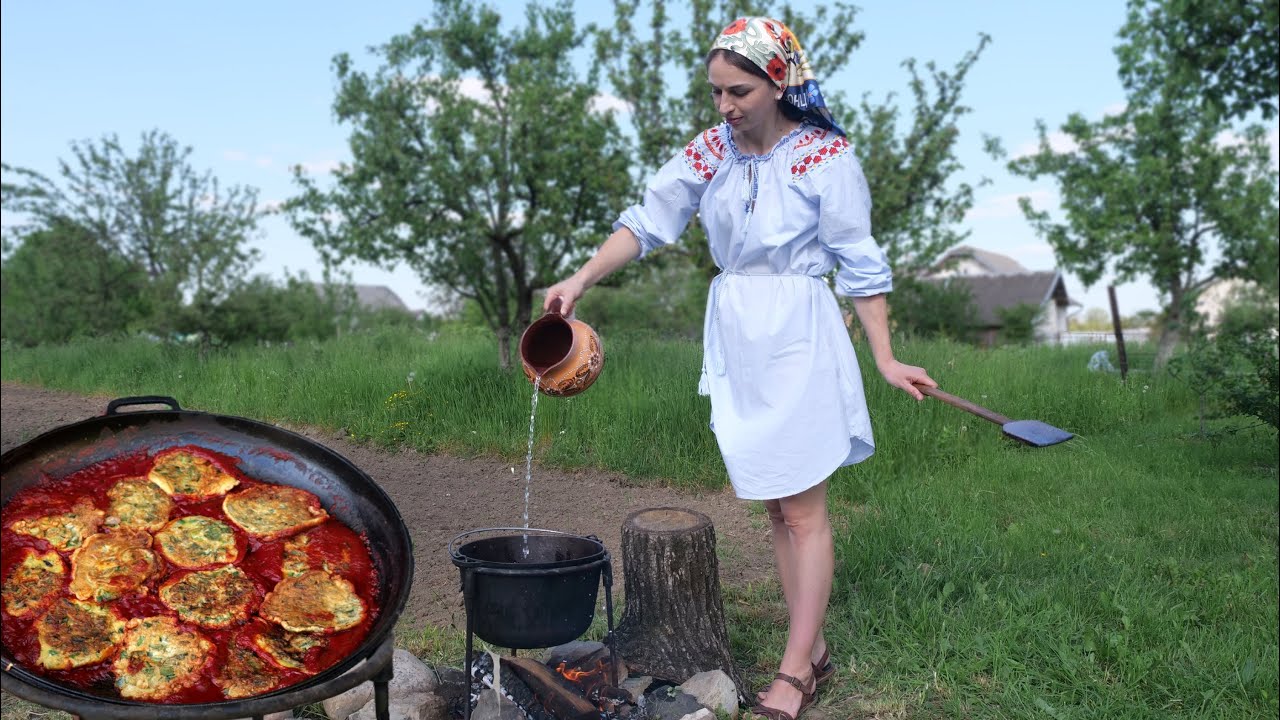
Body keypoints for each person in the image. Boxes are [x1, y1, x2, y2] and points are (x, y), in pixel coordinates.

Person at [543, 16, 936, 720]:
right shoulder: (710, 152)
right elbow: (648, 220)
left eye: (738, 91)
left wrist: (883, 355)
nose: (724, 106)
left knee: (806, 510)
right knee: (777, 504)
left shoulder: (825, 157)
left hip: (800, 331)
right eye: (717, 92)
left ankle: (796, 672)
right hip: (739, 333)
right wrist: (580, 280)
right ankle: (810, 646)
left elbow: (860, 262)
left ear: (778, 81)